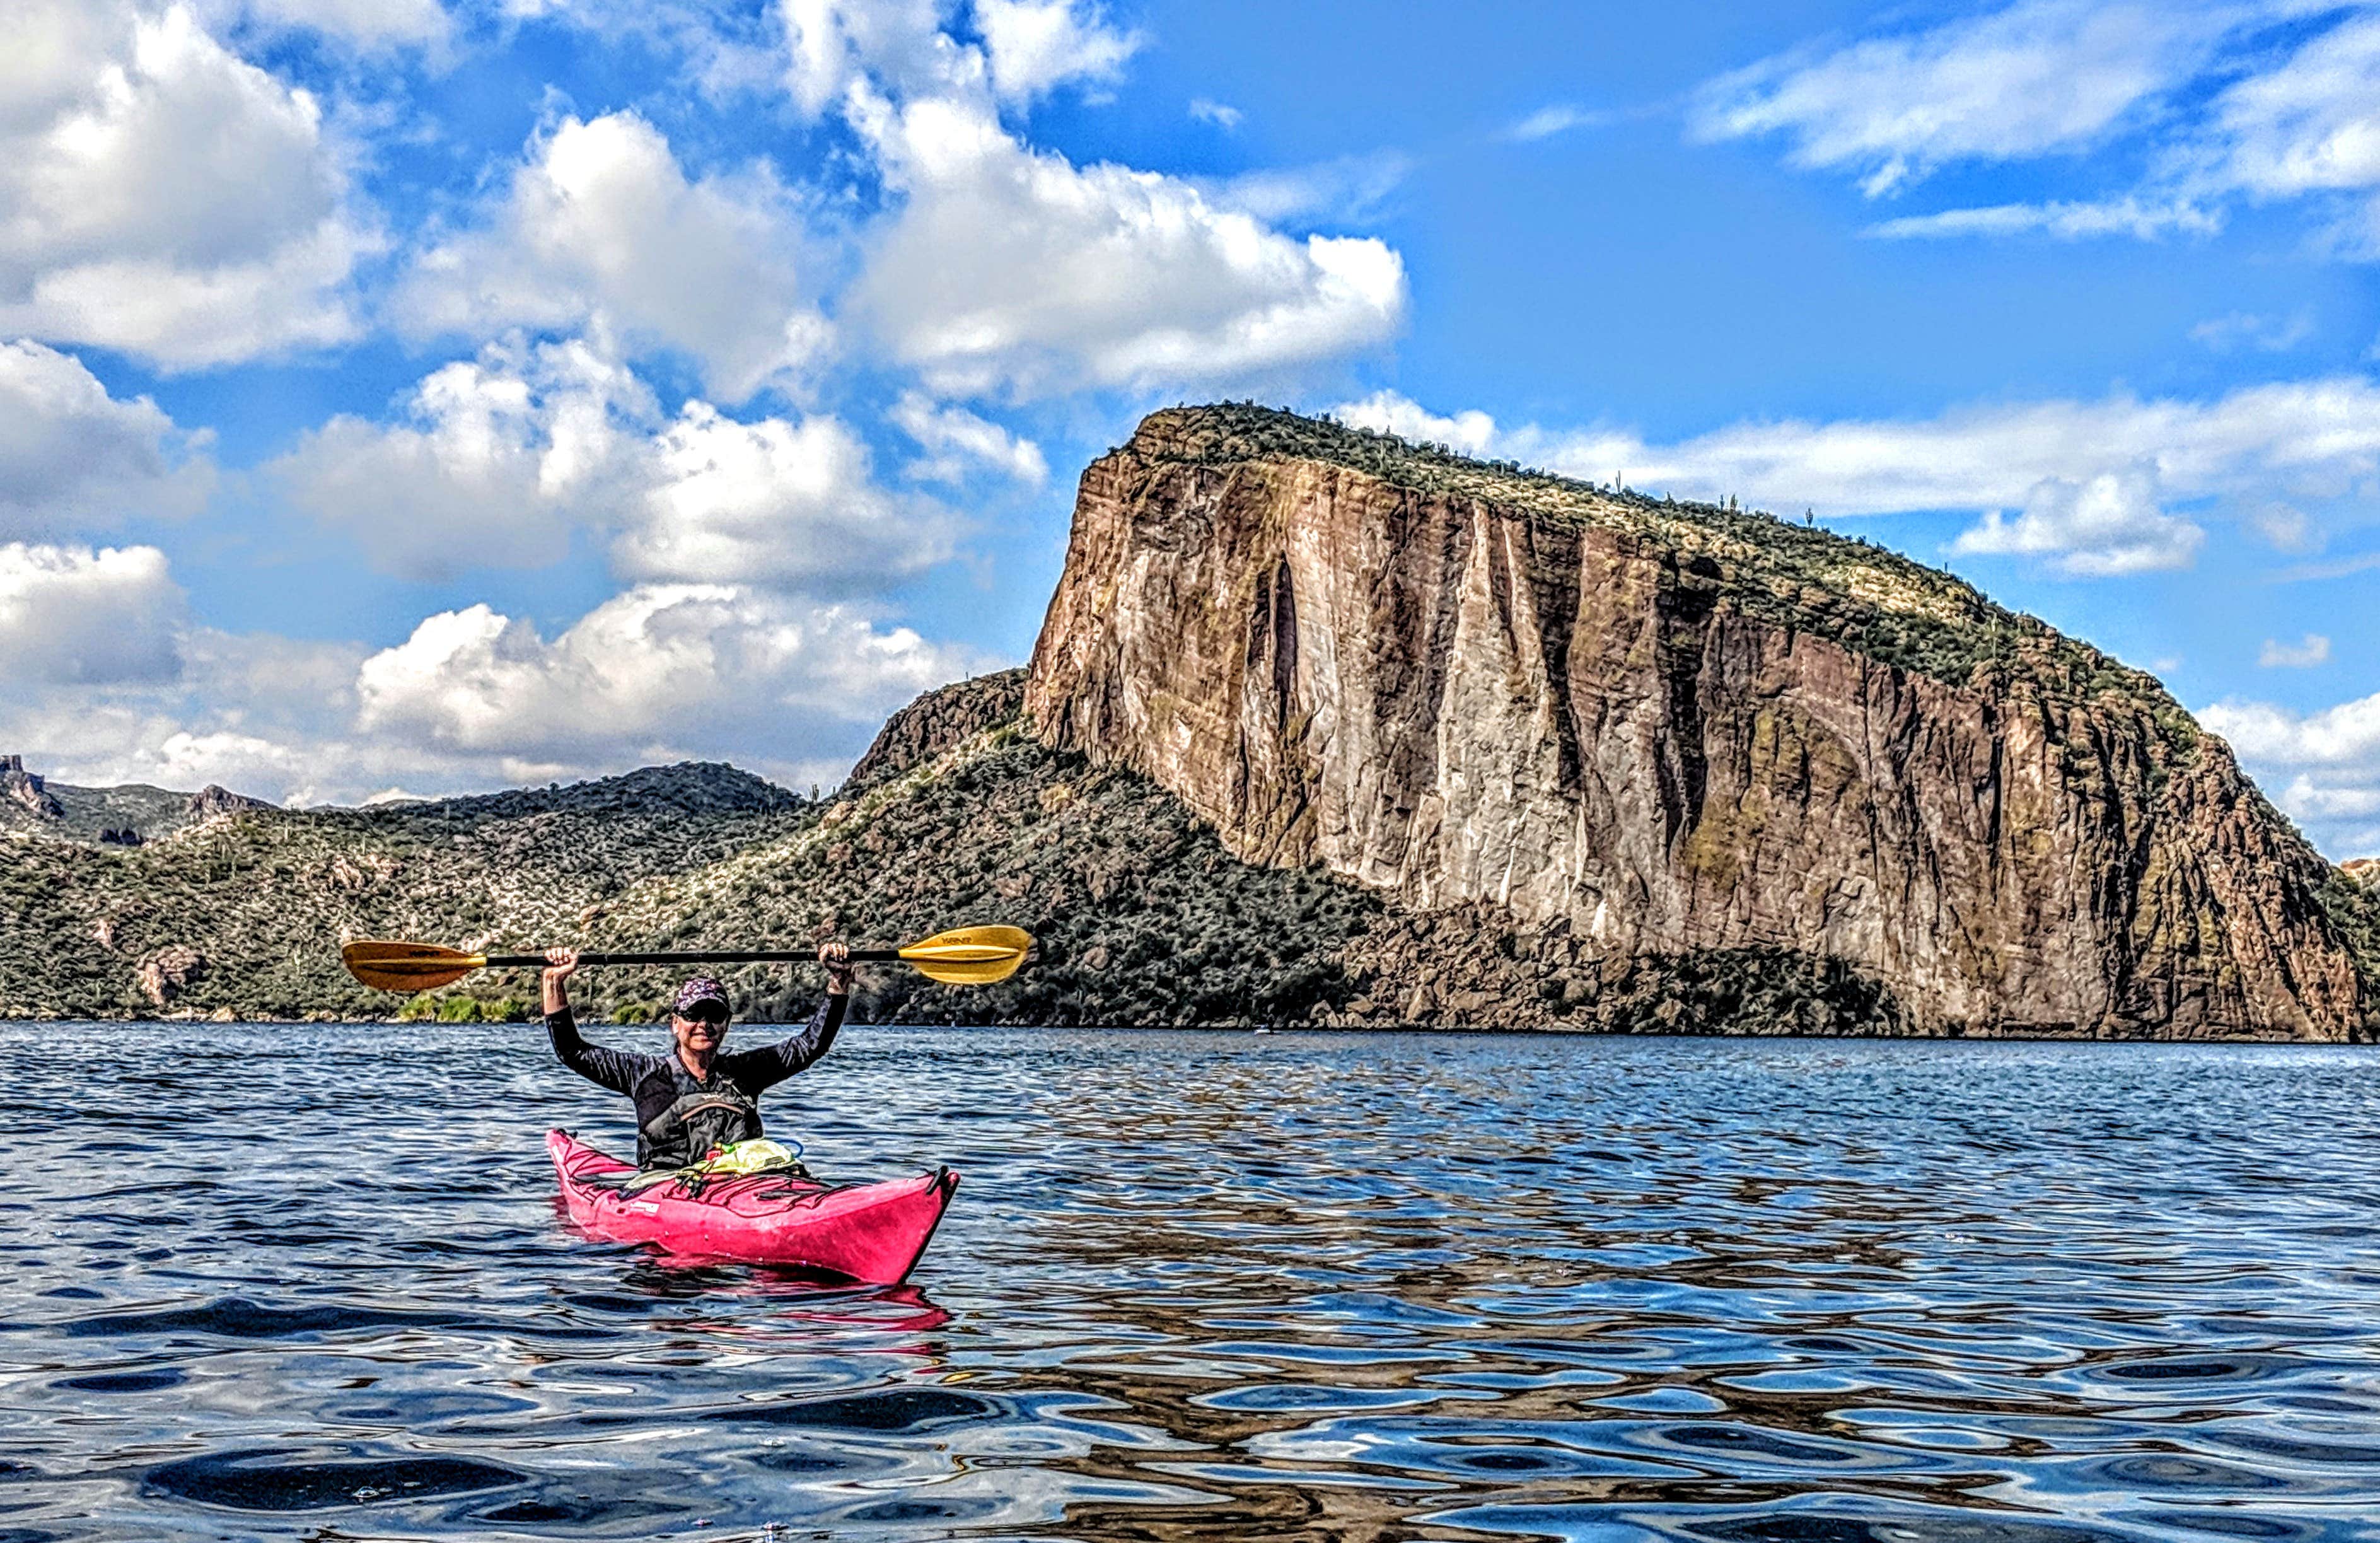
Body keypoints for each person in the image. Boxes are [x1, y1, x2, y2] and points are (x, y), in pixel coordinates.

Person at [541, 941, 853, 1170]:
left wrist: (838, 983)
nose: (704, 1025)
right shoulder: (643, 1074)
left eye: (714, 1015)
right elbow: (573, 1051)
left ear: (726, 1024)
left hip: (739, 1187)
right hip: (665, 1190)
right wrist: (554, 981)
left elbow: (810, 1045)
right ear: (675, 1024)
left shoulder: (746, 1072)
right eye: (693, 1015)